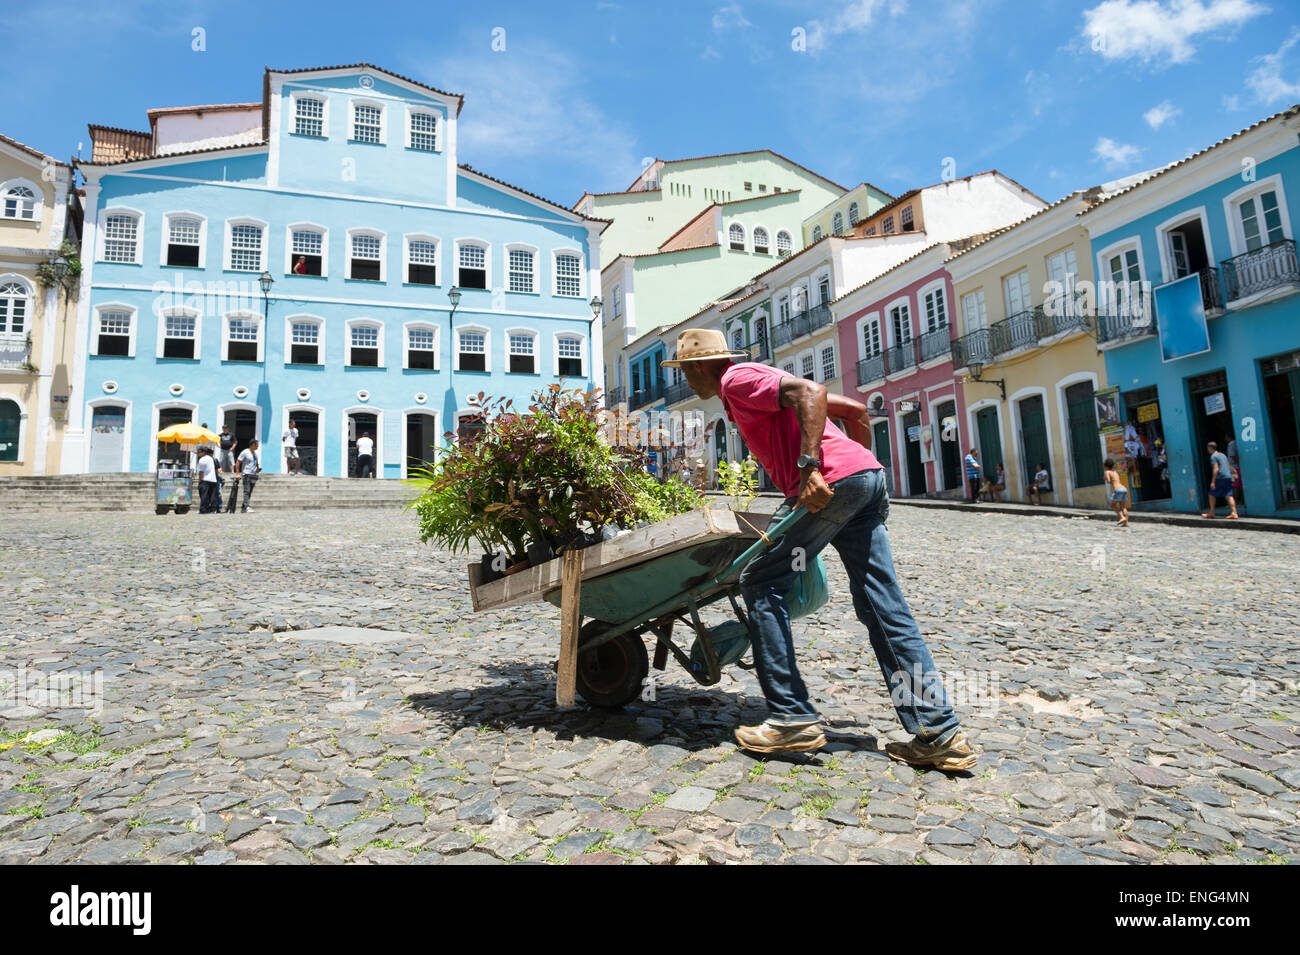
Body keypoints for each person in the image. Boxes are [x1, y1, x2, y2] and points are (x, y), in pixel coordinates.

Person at [664, 328, 976, 769]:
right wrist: (855, 465)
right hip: (862, 484)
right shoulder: (751, 383)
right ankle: (939, 733)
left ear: (699, 366)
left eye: (684, 371)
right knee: (882, 605)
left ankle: (791, 719)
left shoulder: (735, 379)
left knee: (761, 581)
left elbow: (813, 391)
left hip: (829, 486)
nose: (685, 381)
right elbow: (852, 410)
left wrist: (814, 467)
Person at [1202, 441, 1238, 519]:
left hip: (1220, 477)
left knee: (1211, 494)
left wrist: (1213, 482)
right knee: (1228, 495)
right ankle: (1234, 512)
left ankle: (1212, 512)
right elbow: (1228, 465)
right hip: (1228, 476)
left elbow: (1216, 469)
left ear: (1210, 448)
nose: (1208, 450)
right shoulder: (1223, 455)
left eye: (1208, 448)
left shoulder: (1213, 456)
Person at [235, 439, 261, 513]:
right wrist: (237, 473)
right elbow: (238, 462)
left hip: (253, 475)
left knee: (250, 491)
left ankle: (244, 507)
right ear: (252, 444)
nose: (258, 446)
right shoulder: (245, 452)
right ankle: (247, 506)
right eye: (257, 445)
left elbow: (256, 464)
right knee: (247, 491)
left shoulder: (255, 454)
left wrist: (258, 469)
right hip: (246, 474)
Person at [1103, 457, 1129, 527]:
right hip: (1124, 489)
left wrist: (1105, 478)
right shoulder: (1115, 472)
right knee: (1123, 507)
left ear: (1106, 466)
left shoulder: (1107, 472)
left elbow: (1108, 481)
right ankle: (1126, 522)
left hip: (1118, 490)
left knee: (1112, 505)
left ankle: (1122, 517)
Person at [196, 446, 219, 514]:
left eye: (199, 452)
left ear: (203, 452)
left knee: (204, 496)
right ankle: (212, 509)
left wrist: (199, 481)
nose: (197, 453)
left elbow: (201, 472)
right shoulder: (211, 458)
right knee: (212, 496)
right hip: (213, 479)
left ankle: (203, 510)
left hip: (205, 479)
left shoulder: (202, 459)